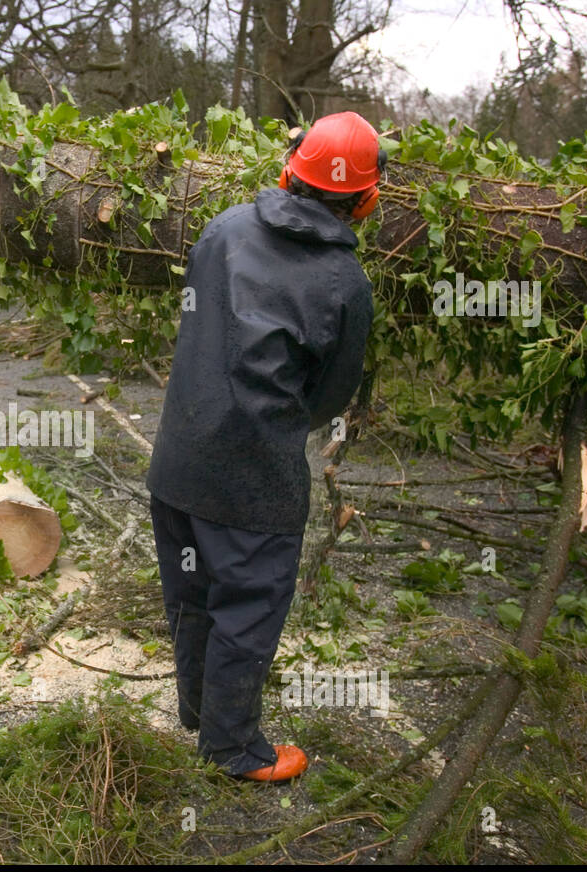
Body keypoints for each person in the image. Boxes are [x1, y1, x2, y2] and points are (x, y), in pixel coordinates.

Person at [146, 112, 384, 782]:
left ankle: (200, 714)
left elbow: (195, 330)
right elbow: (332, 395)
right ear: (365, 201)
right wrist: (270, 421)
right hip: (254, 479)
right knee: (246, 609)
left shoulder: (221, 230)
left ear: (289, 168)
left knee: (193, 596)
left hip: (178, 460)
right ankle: (233, 748)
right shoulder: (347, 284)